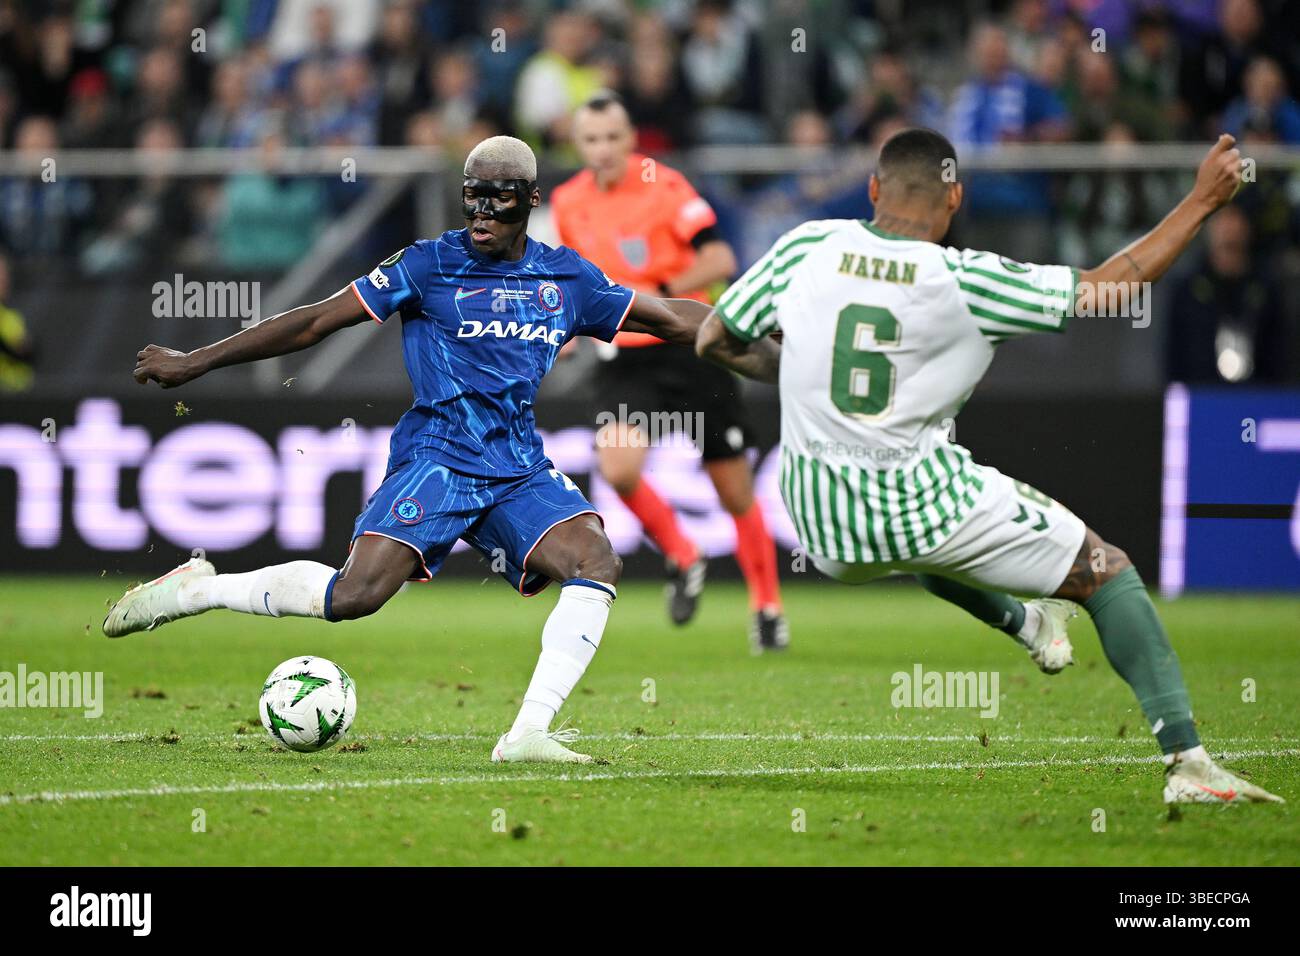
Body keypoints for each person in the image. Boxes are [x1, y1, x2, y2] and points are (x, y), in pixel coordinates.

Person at [696, 127, 1283, 804]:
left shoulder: (808, 245)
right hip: (912, 508)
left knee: (921, 498)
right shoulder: (968, 278)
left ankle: (1027, 623)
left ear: (873, 189)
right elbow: (1111, 287)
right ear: (955, 199)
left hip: (817, 525)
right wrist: (1202, 201)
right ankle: (1188, 762)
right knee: (1106, 572)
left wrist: (802, 370)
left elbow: (716, 337)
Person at [104, 136, 710, 766]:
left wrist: (747, 320)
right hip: (439, 459)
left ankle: (528, 734)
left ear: (531, 200)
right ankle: (198, 591)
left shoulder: (567, 279)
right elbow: (316, 321)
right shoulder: (426, 265)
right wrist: (196, 362)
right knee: (354, 597)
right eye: (472, 195)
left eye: (500, 198)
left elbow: (669, 317)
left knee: (595, 559)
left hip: (517, 467)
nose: (481, 211)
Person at [551, 92, 788, 651]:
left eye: (613, 137)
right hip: (627, 355)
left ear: (632, 139)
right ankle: (683, 554)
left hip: (690, 344)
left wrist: (658, 295)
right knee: (618, 467)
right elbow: (575, 282)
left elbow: (720, 260)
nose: (603, 149)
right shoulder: (568, 202)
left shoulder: (666, 186)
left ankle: (768, 608)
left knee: (732, 491)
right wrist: (564, 328)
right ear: (577, 144)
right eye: (591, 139)